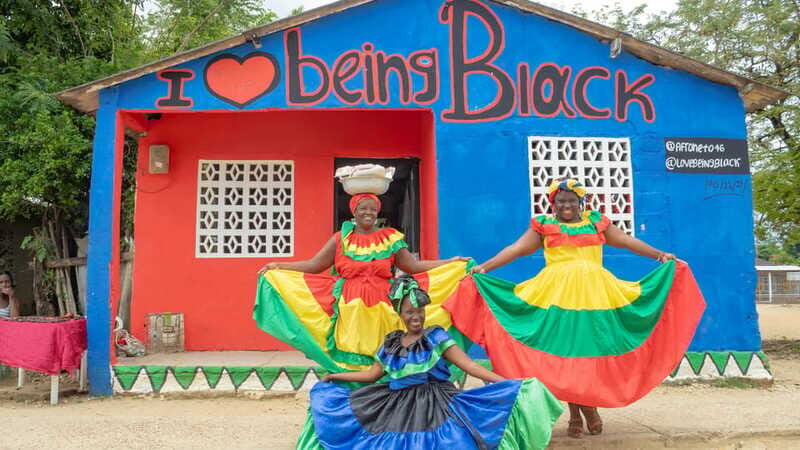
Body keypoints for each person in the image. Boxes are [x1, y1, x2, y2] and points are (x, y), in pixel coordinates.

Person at [444, 178, 706, 439]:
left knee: (588, 352)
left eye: (571, 200)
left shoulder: (595, 222)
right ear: (553, 204)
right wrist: (485, 268)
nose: (566, 205)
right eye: (560, 201)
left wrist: (659, 254)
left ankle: (587, 410)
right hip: (556, 298)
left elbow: (627, 241)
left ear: (581, 202)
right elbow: (517, 249)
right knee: (566, 353)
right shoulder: (544, 226)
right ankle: (577, 413)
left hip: (596, 298)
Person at [296, 276, 563, 450]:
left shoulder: (436, 336)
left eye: (420, 311)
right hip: (395, 404)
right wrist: (335, 377)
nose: (417, 317)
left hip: (436, 402)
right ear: (399, 313)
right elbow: (372, 374)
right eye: (410, 312)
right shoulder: (391, 342)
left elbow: (471, 366)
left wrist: (509, 383)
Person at [254, 193, 470, 372]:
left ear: (377, 213)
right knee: (354, 350)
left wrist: (449, 262)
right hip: (351, 306)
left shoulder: (390, 237)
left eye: (372, 209)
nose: (368, 213)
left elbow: (413, 267)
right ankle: (356, 391)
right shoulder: (340, 239)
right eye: (363, 209)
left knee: (383, 348)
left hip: (384, 305)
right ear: (354, 212)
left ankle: (388, 393)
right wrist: (279, 266)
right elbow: (314, 265)